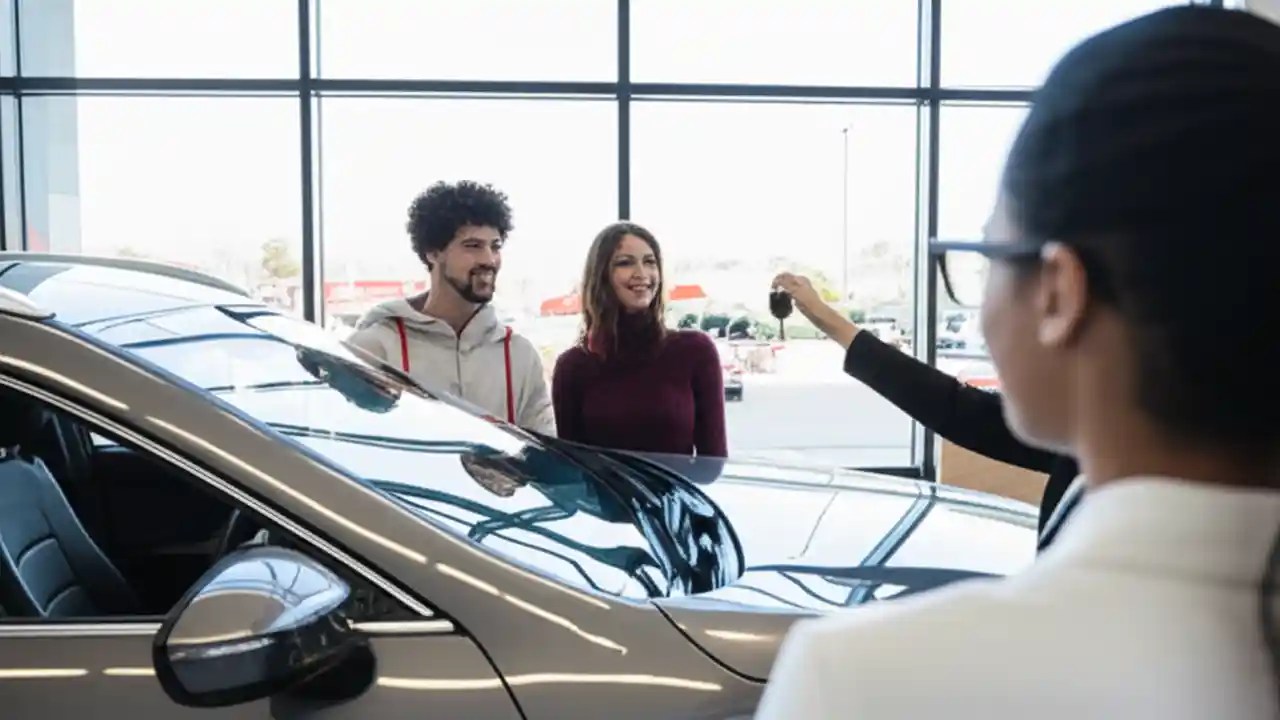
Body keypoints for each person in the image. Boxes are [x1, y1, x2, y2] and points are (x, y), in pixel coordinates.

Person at [756, 7, 1280, 719]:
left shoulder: (865, 679)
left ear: (1061, 292)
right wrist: (833, 322)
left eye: (990, 254)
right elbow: (964, 413)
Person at [770, 271, 1079, 549]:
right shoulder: (1087, 441)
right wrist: (828, 319)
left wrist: (828, 318)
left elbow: (962, 411)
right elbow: (960, 409)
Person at [348, 180, 555, 434]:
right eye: (473, 246)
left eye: (495, 246)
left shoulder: (520, 355)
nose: (489, 259)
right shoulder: (376, 348)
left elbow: (543, 455)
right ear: (432, 253)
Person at [552, 221, 727, 457]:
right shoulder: (573, 366)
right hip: (603, 495)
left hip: (674, 494)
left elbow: (713, 463)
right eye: (625, 263)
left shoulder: (695, 351)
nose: (642, 274)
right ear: (601, 275)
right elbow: (574, 468)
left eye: (649, 262)